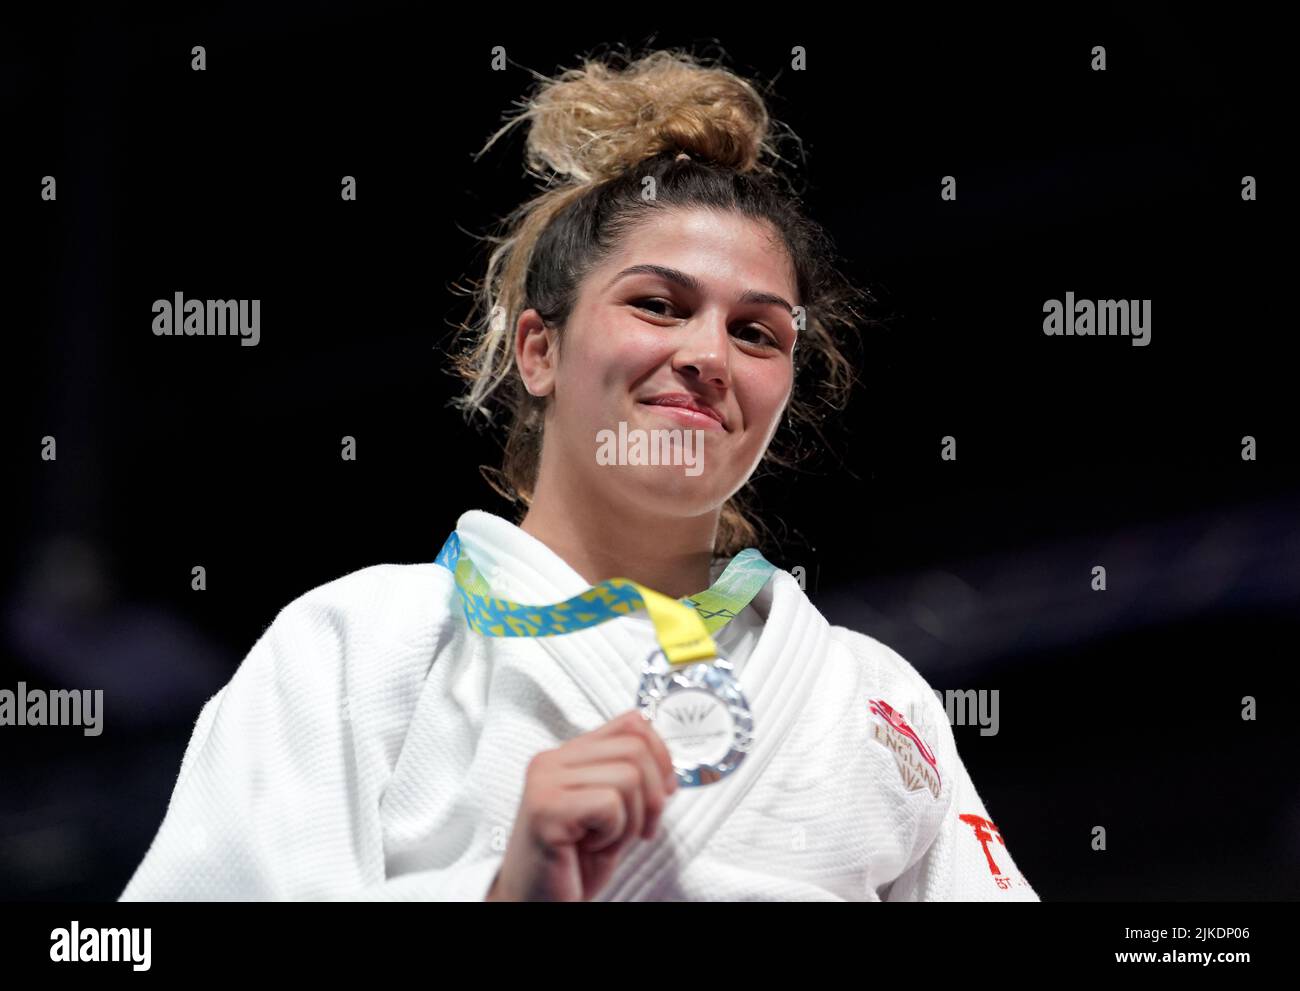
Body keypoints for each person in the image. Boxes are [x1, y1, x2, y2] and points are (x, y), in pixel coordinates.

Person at [119, 48, 1037, 902]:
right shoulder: (362, 644)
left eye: (757, 332)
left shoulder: (873, 694)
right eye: (657, 304)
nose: (709, 355)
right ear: (539, 347)